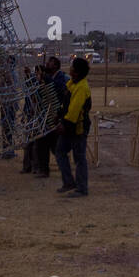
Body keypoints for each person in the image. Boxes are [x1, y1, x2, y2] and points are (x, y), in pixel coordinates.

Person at [56, 57, 92, 197]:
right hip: (68, 125)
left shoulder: (82, 87)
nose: (69, 69)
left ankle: (82, 188)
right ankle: (69, 182)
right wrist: (59, 115)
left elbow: (74, 111)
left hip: (78, 128)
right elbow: (66, 105)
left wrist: (64, 124)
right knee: (60, 152)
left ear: (76, 72)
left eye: (72, 67)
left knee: (79, 158)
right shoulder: (73, 84)